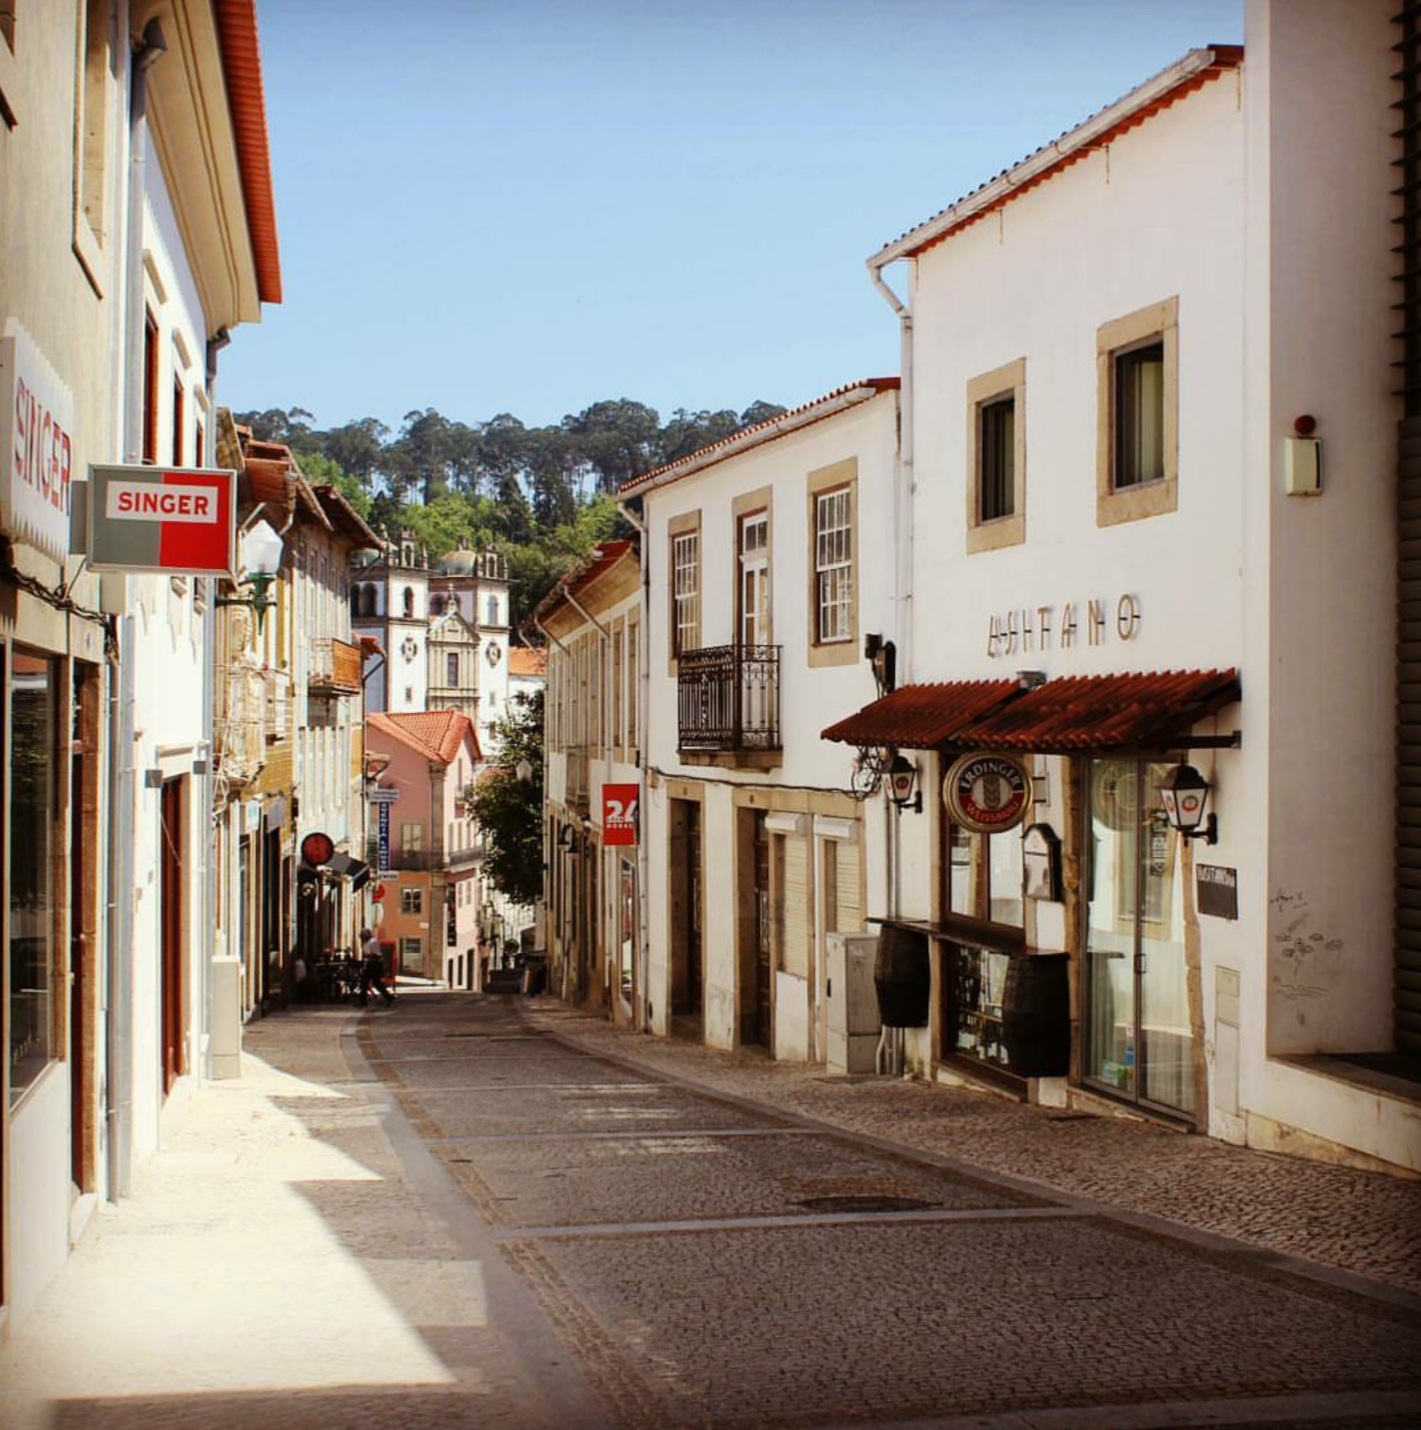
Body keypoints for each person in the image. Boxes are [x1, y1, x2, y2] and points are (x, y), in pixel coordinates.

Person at [358, 929, 394, 1008]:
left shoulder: (373, 942)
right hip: (369, 964)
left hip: (374, 965)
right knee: (368, 983)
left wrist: (369, 957)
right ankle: (388, 997)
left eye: (363, 936)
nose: (362, 938)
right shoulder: (365, 943)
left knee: (370, 982)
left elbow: (377, 954)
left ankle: (363, 1001)